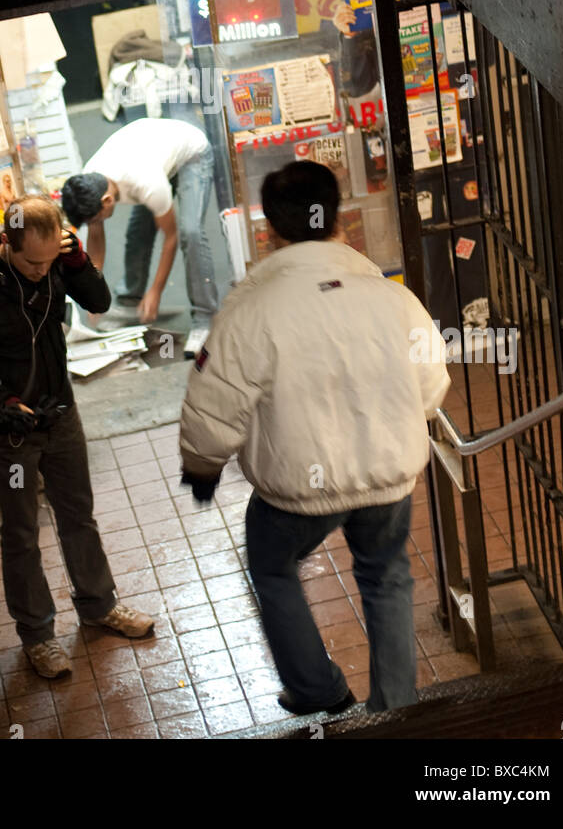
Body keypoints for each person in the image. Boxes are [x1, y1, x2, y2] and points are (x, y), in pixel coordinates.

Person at [179, 160, 450, 718]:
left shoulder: (250, 309)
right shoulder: (389, 296)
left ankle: (317, 690)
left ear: (269, 229)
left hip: (297, 490)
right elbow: (431, 380)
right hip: (387, 475)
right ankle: (395, 710)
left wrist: (202, 466)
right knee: (386, 576)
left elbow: (214, 400)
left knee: (273, 567)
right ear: (340, 219)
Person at [0, 195, 154, 678]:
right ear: (5, 242)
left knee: (79, 516)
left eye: (49, 259)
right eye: (31, 262)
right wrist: (0, 401)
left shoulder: (59, 262)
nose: (41, 271)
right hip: (10, 435)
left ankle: (99, 605)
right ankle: (38, 635)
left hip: (61, 419)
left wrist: (76, 262)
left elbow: (99, 303)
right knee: (20, 534)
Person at [61, 117, 218, 357]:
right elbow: (96, 236)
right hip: (152, 155)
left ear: (107, 201)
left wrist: (156, 291)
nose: (96, 224)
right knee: (137, 234)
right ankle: (130, 303)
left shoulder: (146, 183)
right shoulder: (90, 182)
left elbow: (171, 237)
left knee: (191, 232)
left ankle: (204, 318)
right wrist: (93, 292)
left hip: (191, 154)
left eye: (97, 218)